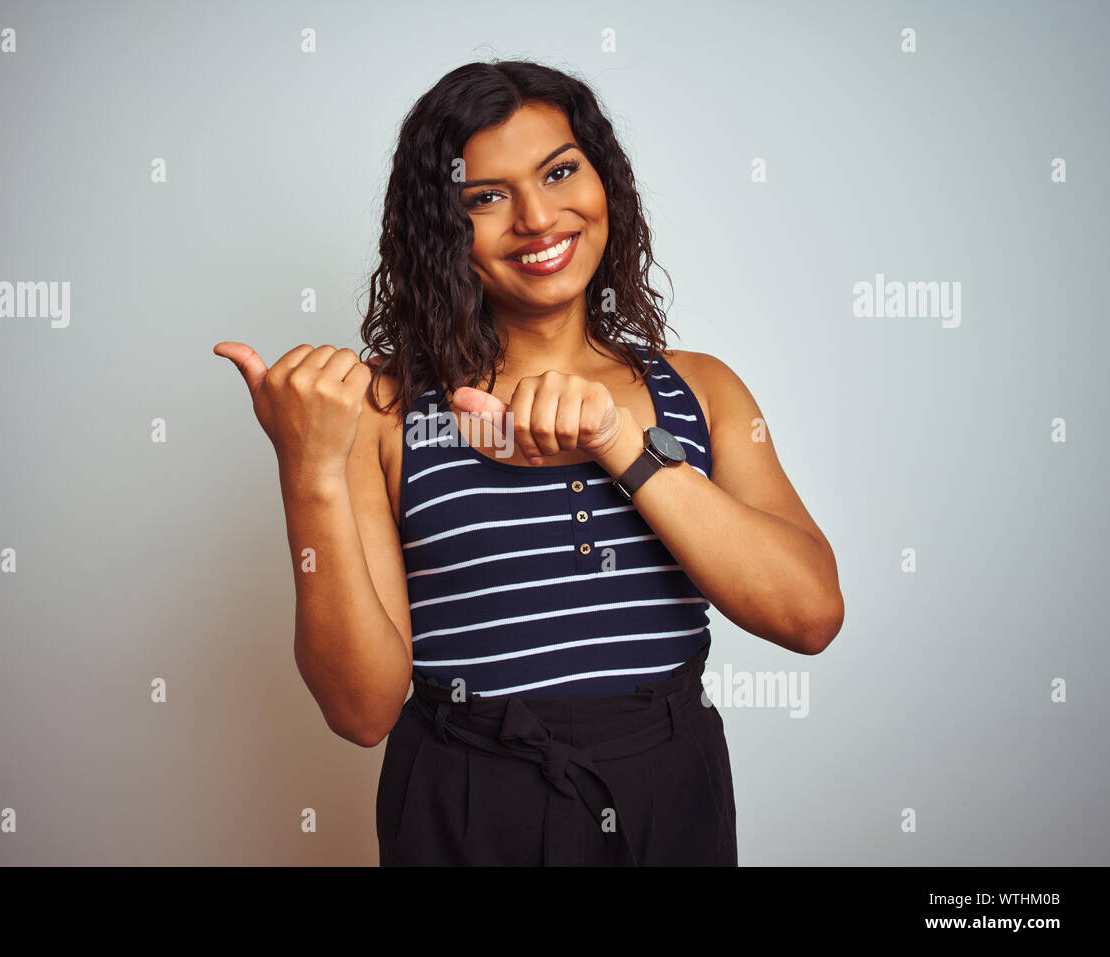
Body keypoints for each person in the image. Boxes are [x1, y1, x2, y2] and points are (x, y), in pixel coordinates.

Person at [214, 59, 843, 866]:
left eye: (559, 171)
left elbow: (811, 614)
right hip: (467, 799)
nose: (539, 216)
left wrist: (619, 443)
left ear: (602, 177)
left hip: (670, 788)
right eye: (485, 196)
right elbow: (361, 709)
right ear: (441, 226)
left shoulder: (702, 388)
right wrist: (309, 469)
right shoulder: (385, 415)